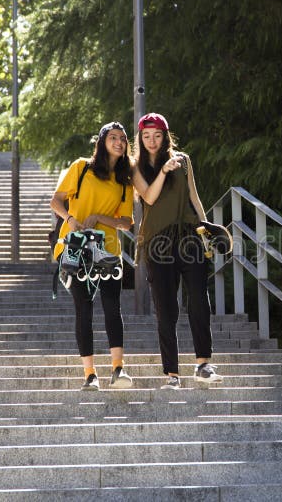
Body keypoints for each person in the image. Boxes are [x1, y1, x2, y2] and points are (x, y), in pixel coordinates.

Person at [132, 112, 223, 390]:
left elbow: (194, 196)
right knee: (166, 308)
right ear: (140, 138)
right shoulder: (135, 166)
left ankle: (203, 364)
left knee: (198, 298)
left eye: (157, 135)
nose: (152, 140)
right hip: (157, 242)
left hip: (189, 236)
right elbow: (148, 197)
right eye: (146, 136)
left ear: (166, 136)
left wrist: (206, 228)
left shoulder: (183, 160)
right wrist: (162, 171)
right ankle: (171, 374)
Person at [50, 121, 135, 391]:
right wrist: (71, 218)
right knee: (83, 308)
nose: (119, 142)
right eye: (113, 137)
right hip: (75, 249)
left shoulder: (124, 180)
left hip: (108, 252)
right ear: (102, 141)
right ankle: (90, 374)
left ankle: (118, 369)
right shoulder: (81, 167)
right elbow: (56, 201)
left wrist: (99, 218)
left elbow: (126, 222)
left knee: (112, 308)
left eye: (122, 138)